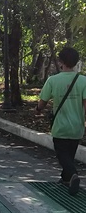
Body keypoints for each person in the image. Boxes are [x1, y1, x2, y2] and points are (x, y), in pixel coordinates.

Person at [37, 46, 86, 195]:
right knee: (69, 153)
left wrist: (38, 109)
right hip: (77, 126)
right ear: (76, 62)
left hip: (60, 126)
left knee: (62, 154)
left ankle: (72, 175)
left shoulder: (53, 80)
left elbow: (42, 102)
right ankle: (65, 178)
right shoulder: (83, 80)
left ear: (61, 62)